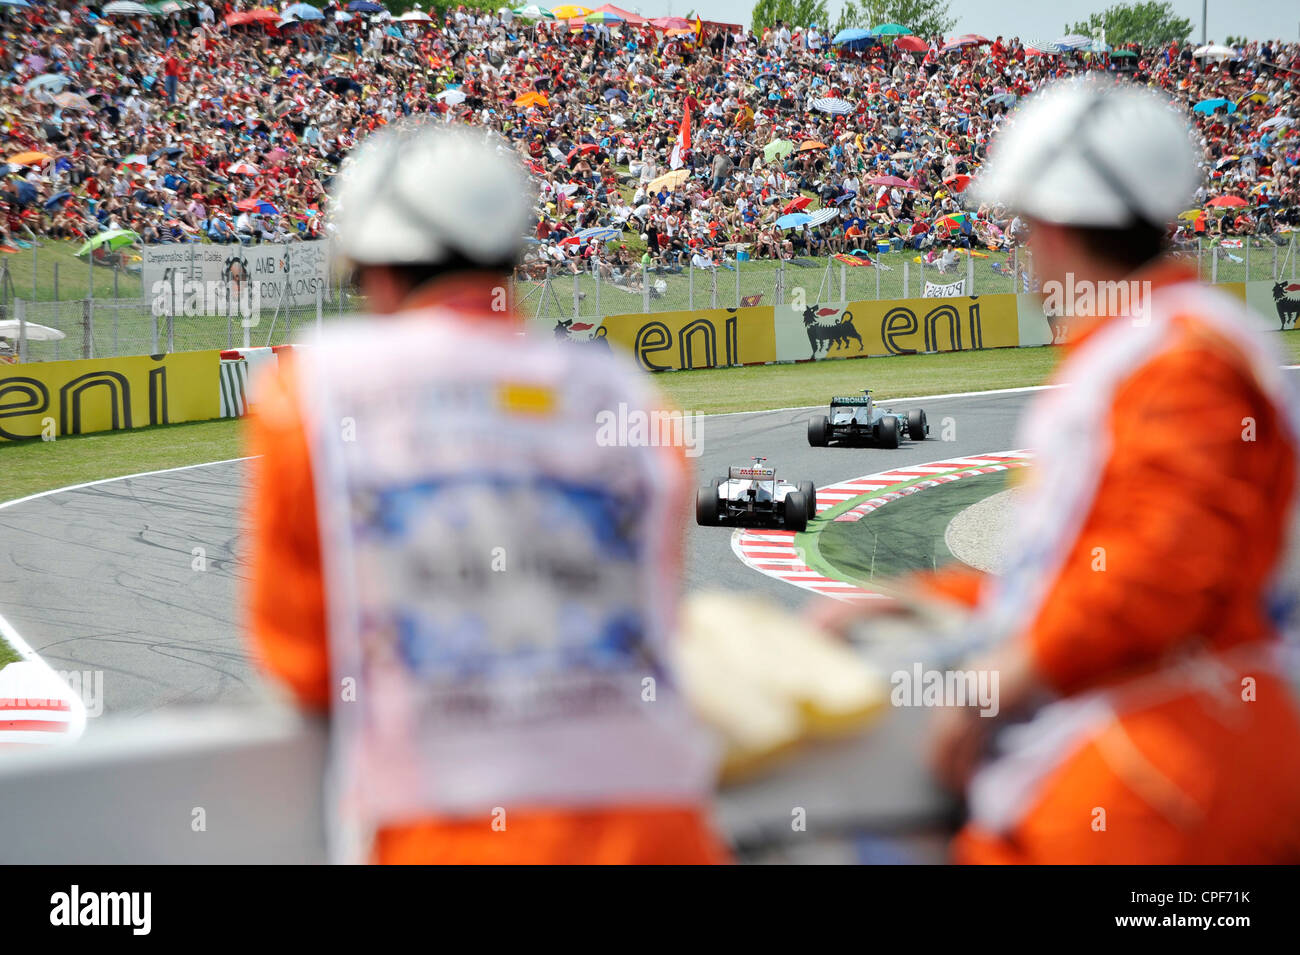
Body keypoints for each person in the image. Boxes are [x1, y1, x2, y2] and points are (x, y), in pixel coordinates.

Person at [816, 77, 1300, 863]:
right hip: (1150, 750)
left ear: (1051, 224)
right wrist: (908, 597)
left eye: (1024, 225)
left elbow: (1161, 567)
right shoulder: (1146, 342)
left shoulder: (1176, 358)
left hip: (1163, 775)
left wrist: (1004, 676)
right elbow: (1068, 569)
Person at [244, 124, 726, 865]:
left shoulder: (311, 388)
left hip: (448, 838)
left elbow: (303, 660)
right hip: (665, 828)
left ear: (375, 267)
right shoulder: (625, 393)